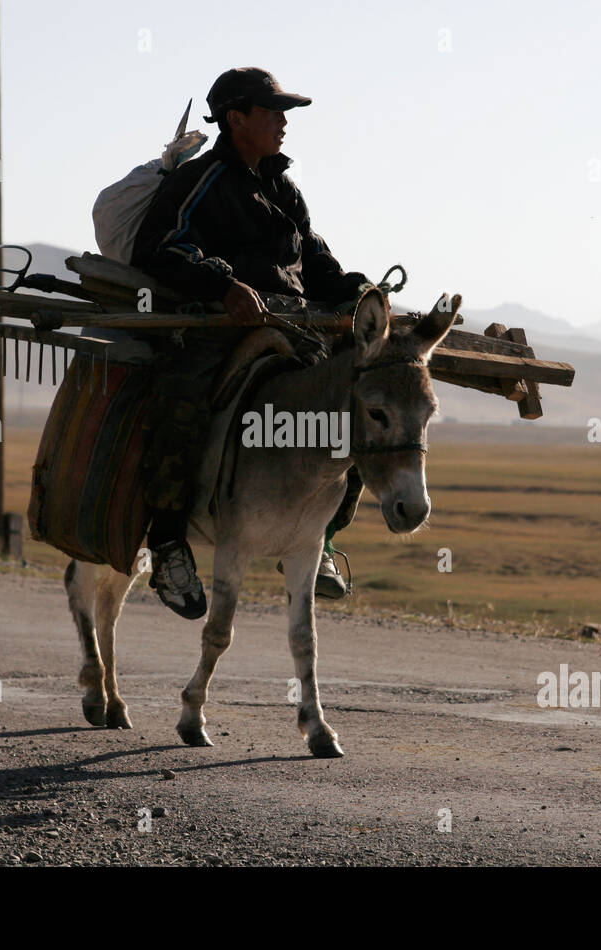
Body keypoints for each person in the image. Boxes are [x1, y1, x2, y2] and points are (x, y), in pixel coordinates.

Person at [131, 67, 369, 619]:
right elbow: (159, 247)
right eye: (273, 111)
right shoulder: (201, 179)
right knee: (183, 400)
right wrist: (223, 284)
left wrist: (361, 292)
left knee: (361, 398)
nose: (285, 122)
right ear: (236, 118)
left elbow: (317, 262)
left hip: (294, 325)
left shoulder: (283, 186)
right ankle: (166, 543)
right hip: (217, 325)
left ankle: (322, 535)